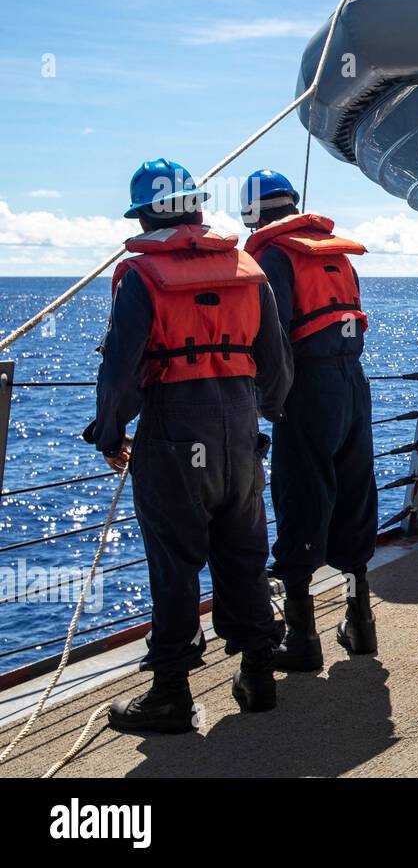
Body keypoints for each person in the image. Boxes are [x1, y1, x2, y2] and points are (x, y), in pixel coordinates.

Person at [90, 158, 292, 733]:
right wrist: (267, 411)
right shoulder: (246, 266)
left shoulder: (142, 276)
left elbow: (121, 371)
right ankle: (257, 675)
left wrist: (109, 433)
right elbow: (276, 360)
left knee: (174, 565)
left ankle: (172, 694)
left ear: (146, 213)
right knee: (245, 553)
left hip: (174, 434)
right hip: (240, 430)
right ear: (198, 206)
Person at [241, 169, 379, 670]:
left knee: (302, 497)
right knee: (354, 492)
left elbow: (270, 339)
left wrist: (265, 405)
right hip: (353, 385)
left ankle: (301, 641)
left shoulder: (271, 255)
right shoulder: (334, 253)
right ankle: (361, 622)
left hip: (305, 390)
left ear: (252, 214)